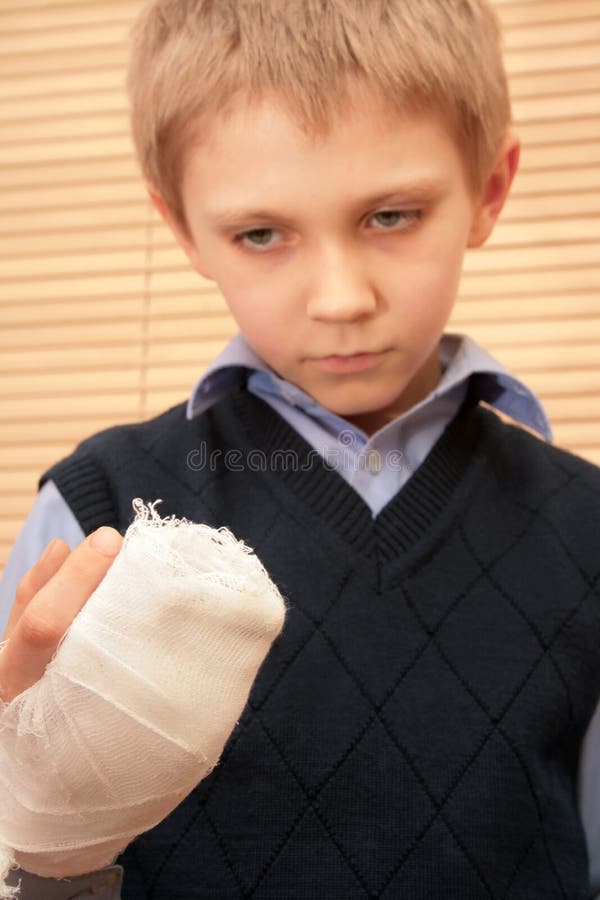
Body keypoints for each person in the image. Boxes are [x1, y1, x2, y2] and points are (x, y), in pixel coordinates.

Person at [1, 0, 600, 897]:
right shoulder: (98, 503)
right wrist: (41, 848)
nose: (339, 298)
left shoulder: (587, 527)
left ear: (490, 188)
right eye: (261, 234)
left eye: (391, 215)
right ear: (183, 232)